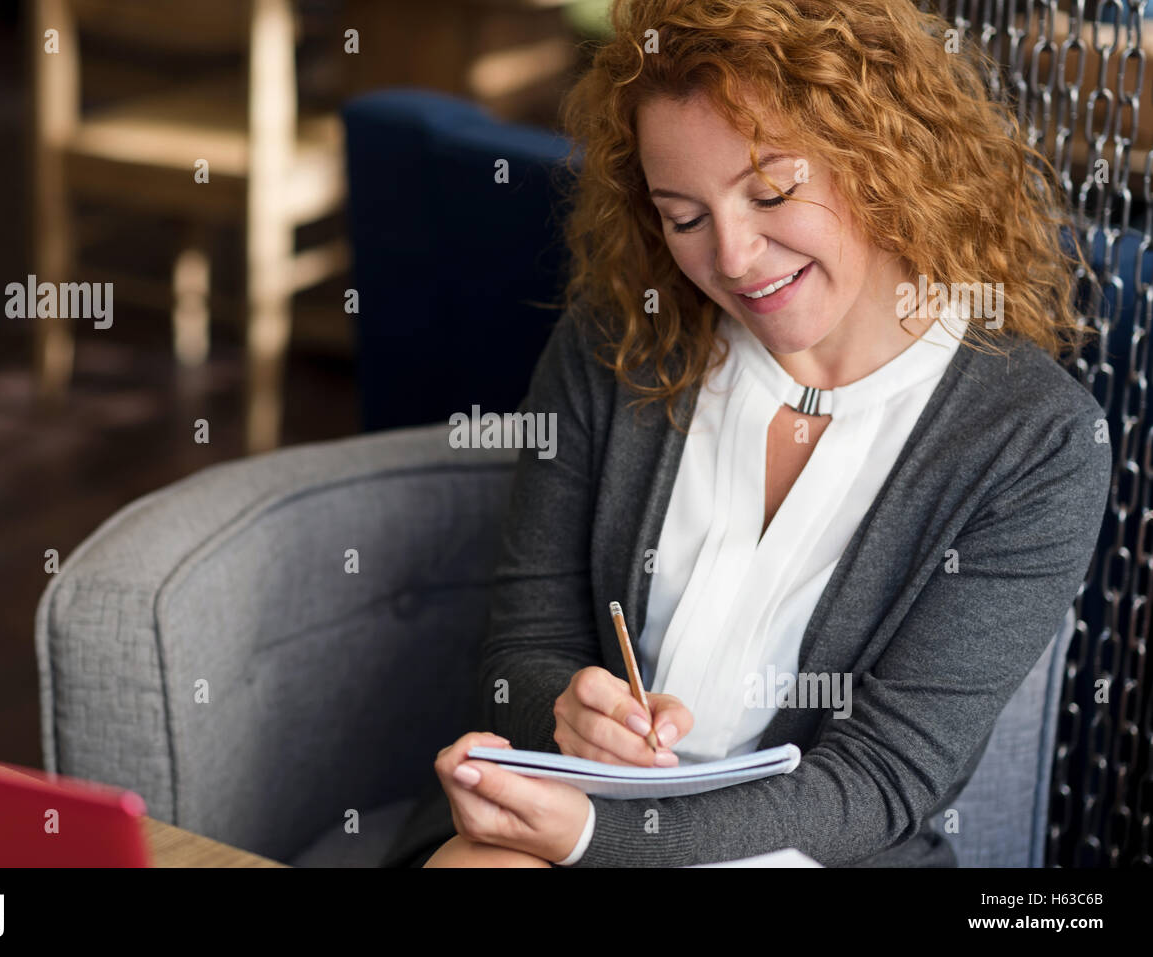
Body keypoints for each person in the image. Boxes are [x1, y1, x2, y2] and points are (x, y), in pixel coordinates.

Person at [381, 0, 1112, 868]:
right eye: (684, 218)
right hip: (571, 812)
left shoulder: (1036, 441)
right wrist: (565, 714)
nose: (729, 257)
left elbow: (883, 778)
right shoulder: (620, 339)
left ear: (884, 159)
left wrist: (601, 839)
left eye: (770, 192)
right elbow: (525, 646)